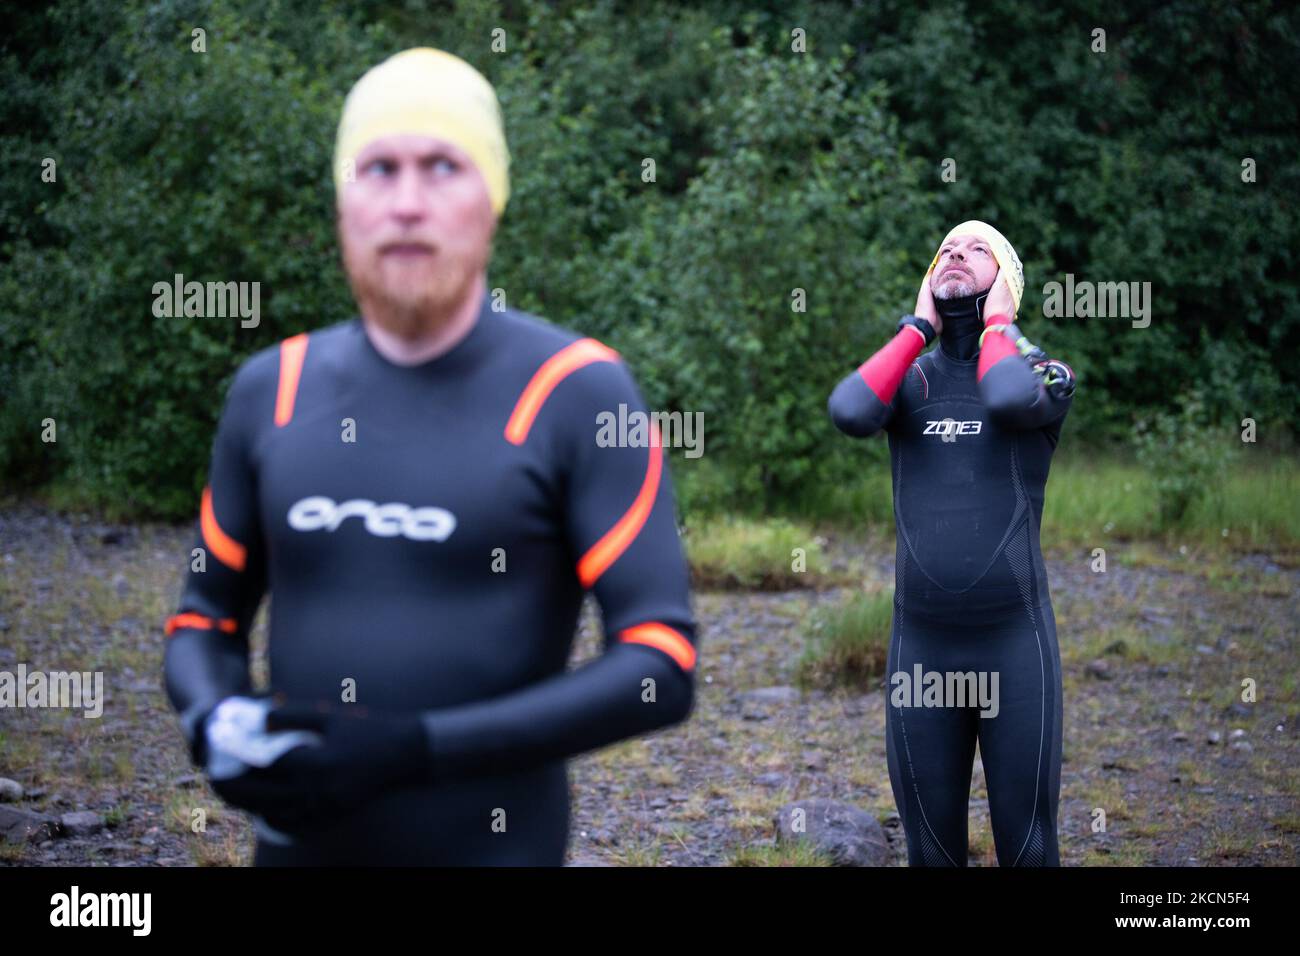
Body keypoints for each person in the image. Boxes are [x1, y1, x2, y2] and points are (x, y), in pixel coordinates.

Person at [162, 47, 698, 865]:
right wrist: (215, 720)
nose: (407, 203)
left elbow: (662, 661)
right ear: (343, 204)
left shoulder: (576, 392)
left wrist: (414, 749)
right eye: (377, 168)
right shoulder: (273, 388)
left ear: (493, 200)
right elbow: (204, 618)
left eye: (444, 166)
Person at [828, 220, 1076, 866]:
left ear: (1008, 283)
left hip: (1015, 646)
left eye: (976, 249)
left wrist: (998, 327)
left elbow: (1003, 394)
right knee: (931, 854)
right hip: (923, 651)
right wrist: (917, 330)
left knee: (1027, 849)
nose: (955, 254)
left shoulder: (1045, 373)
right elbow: (850, 411)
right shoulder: (909, 382)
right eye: (944, 249)